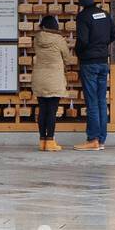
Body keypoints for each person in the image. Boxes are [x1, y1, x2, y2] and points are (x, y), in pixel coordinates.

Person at [73, 0, 115, 151]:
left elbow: (82, 40)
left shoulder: (83, 16)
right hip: (103, 62)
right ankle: (101, 139)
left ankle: (93, 139)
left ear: (81, 2)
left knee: (92, 102)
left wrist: (79, 52)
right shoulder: (104, 14)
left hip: (89, 62)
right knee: (101, 101)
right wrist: (102, 46)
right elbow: (114, 34)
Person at [31, 14, 72, 152]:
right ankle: (50, 141)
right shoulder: (59, 40)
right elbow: (67, 58)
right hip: (54, 78)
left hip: (39, 77)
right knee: (52, 111)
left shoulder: (37, 38)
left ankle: (41, 140)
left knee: (42, 110)